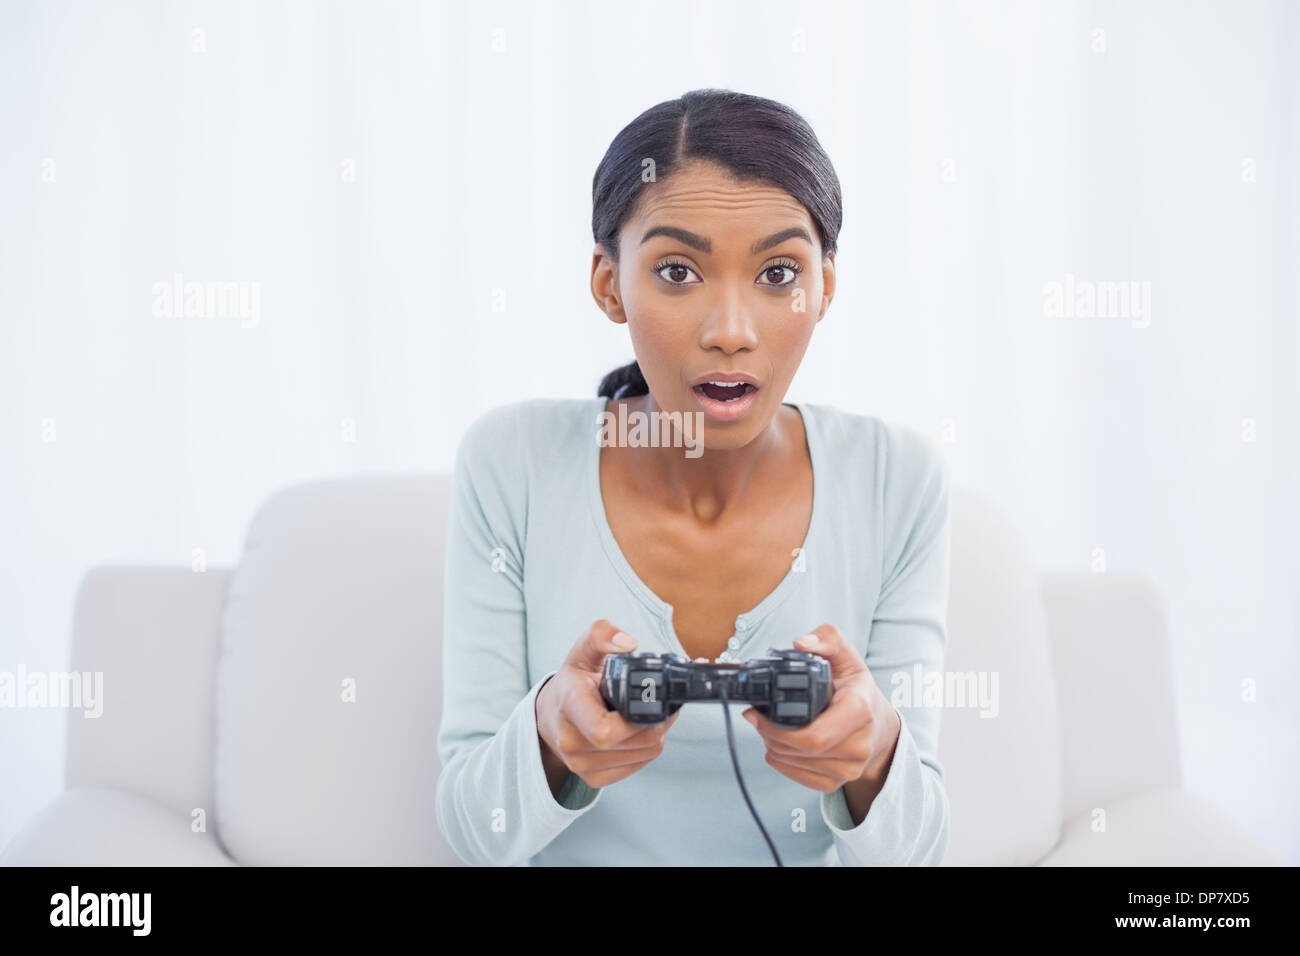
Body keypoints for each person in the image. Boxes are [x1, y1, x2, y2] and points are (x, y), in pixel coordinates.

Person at [435, 88, 952, 866]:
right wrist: (549, 733)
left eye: (779, 274)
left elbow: (919, 852)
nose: (731, 332)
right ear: (610, 285)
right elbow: (474, 831)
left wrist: (873, 756)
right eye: (678, 271)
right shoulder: (512, 462)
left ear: (827, 288)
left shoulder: (896, 481)